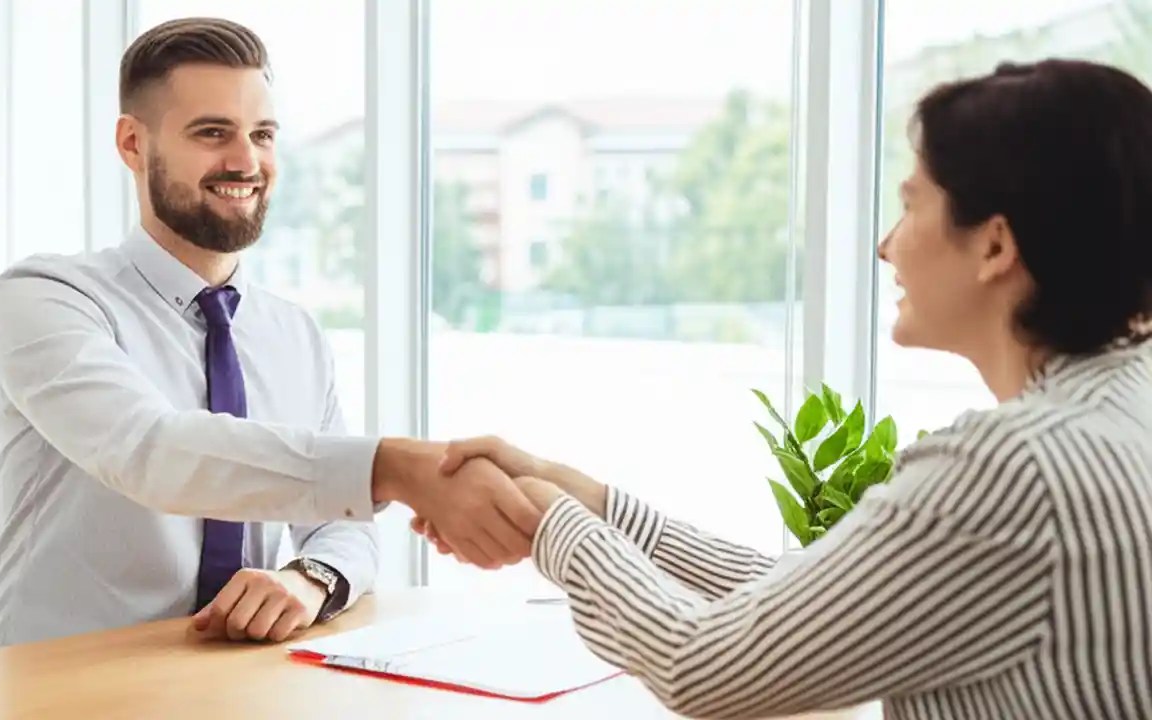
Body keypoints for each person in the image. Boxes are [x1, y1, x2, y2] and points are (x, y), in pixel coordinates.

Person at [419, 58, 1152, 718]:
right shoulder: (1125, 403)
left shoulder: (1009, 468)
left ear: (994, 245)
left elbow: (703, 668)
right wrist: (600, 507)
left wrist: (553, 525)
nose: (885, 244)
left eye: (912, 205)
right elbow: (819, 596)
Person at [0, 17, 538, 649]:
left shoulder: (293, 334)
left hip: (236, 685)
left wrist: (310, 577)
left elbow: (342, 525)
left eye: (262, 134)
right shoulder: (49, 297)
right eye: (212, 132)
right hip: (51, 690)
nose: (246, 161)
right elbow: (150, 452)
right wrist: (394, 467)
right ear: (133, 145)